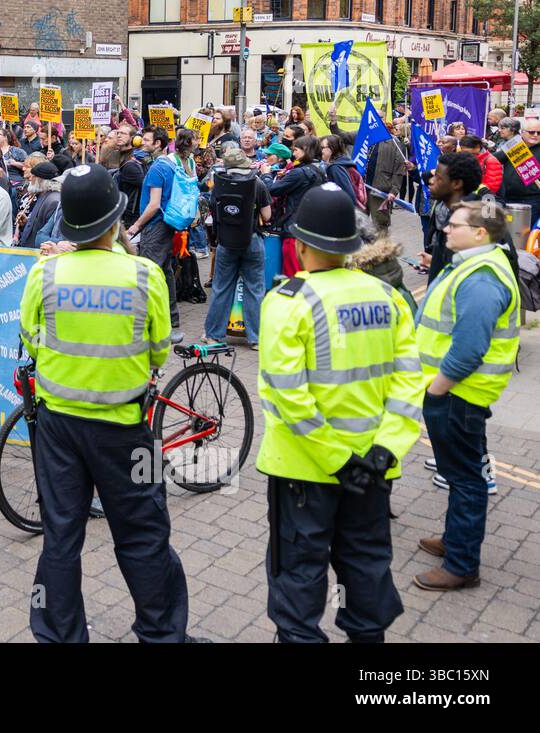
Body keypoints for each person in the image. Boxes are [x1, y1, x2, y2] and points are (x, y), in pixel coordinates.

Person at [20, 164, 194, 643]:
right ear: (116, 221)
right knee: (143, 535)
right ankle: (161, 633)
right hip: (125, 428)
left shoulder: (46, 273)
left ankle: (59, 633)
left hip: (58, 429)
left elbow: (31, 341)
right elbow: (160, 349)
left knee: (61, 536)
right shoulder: (143, 276)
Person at [257, 184, 423, 643]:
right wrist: (386, 450)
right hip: (373, 467)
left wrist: (333, 458)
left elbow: (286, 395)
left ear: (301, 245)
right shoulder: (388, 297)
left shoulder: (288, 301)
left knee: (300, 574)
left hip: (304, 471)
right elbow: (410, 382)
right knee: (366, 565)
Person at [413, 200, 520, 592]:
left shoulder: (481, 277)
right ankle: (455, 539)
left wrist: (437, 388)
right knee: (459, 472)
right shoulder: (473, 266)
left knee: (466, 477)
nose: (445, 229)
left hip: (459, 394)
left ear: (479, 233)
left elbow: (470, 347)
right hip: (456, 392)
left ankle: (462, 564)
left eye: (454, 225)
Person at [128, 126, 199, 338]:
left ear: (158, 143)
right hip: (170, 224)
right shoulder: (183, 163)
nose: (142, 142)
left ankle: (150, 323)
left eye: (147, 140)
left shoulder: (158, 168)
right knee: (166, 271)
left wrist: (136, 226)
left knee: (149, 275)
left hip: (155, 226)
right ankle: (171, 316)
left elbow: (153, 204)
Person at [202, 147, 272, 348]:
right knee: (255, 289)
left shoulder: (219, 184)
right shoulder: (257, 182)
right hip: (252, 240)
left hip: (226, 241)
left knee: (221, 288)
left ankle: (213, 334)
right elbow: (267, 216)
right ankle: (256, 338)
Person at [269, 135, 325, 277]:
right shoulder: (319, 170)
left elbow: (272, 189)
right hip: (311, 227)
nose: (293, 154)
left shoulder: (300, 172)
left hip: (294, 230)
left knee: (292, 275)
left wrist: (266, 176)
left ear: (305, 149)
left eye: (296, 150)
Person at [422, 153, 483, 283]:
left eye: (438, 178)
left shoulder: (467, 227)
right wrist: (436, 262)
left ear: (456, 184)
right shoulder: (455, 216)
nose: (431, 181)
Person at [366, 122, 407, 235]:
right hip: (361, 189)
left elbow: (398, 169)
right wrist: (334, 121)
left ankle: (381, 251)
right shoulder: (364, 138)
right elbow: (343, 137)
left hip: (380, 190)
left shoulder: (394, 142)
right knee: (359, 223)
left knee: (380, 225)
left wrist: (394, 190)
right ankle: (362, 251)